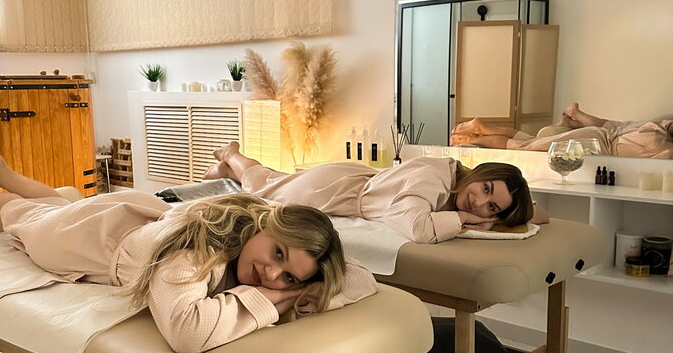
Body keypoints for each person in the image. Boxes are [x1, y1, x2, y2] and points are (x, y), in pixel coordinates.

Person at [0, 153, 376, 353]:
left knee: (61, 206)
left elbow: (363, 279)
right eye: (278, 252)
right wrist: (273, 299)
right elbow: (188, 333)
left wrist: (307, 285)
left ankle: (4, 171)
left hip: (131, 216)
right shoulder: (196, 251)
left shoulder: (253, 234)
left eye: (290, 277)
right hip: (93, 240)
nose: (271, 273)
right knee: (27, 220)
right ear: (264, 224)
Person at [203, 142, 538, 245]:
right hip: (335, 191)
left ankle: (227, 169)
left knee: (274, 179)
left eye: (492, 207)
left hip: (351, 181)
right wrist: (464, 218)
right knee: (263, 186)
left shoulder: (453, 179)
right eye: (485, 188)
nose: (479, 202)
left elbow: (537, 213)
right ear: (479, 174)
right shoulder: (432, 179)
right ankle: (232, 155)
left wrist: (509, 215)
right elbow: (417, 228)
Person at [452, 105, 673, 159]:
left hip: (595, 138)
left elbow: (614, 126)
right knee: (525, 148)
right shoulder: (662, 148)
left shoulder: (659, 127)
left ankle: (482, 131)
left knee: (532, 141)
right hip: (593, 146)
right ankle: (477, 139)